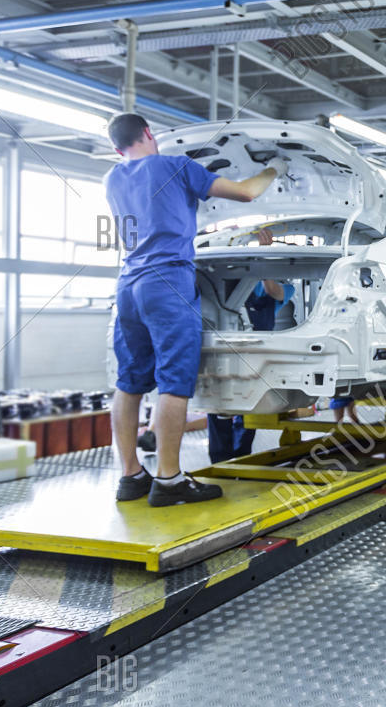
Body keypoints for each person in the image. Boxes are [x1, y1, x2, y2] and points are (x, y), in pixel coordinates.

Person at [104, 112, 282, 506]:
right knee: (174, 381)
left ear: (118, 147)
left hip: (128, 284)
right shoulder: (175, 165)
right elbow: (247, 192)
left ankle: (130, 475)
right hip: (167, 282)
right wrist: (273, 169)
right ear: (149, 133)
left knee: (129, 382)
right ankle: (168, 481)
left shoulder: (113, 178)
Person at [207, 230, 293, 462]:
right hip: (223, 350)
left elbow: (274, 292)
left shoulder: (282, 286)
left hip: (255, 354)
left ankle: (240, 456)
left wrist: (262, 263)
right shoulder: (226, 282)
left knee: (247, 407)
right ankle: (219, 460)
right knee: (217, 407)